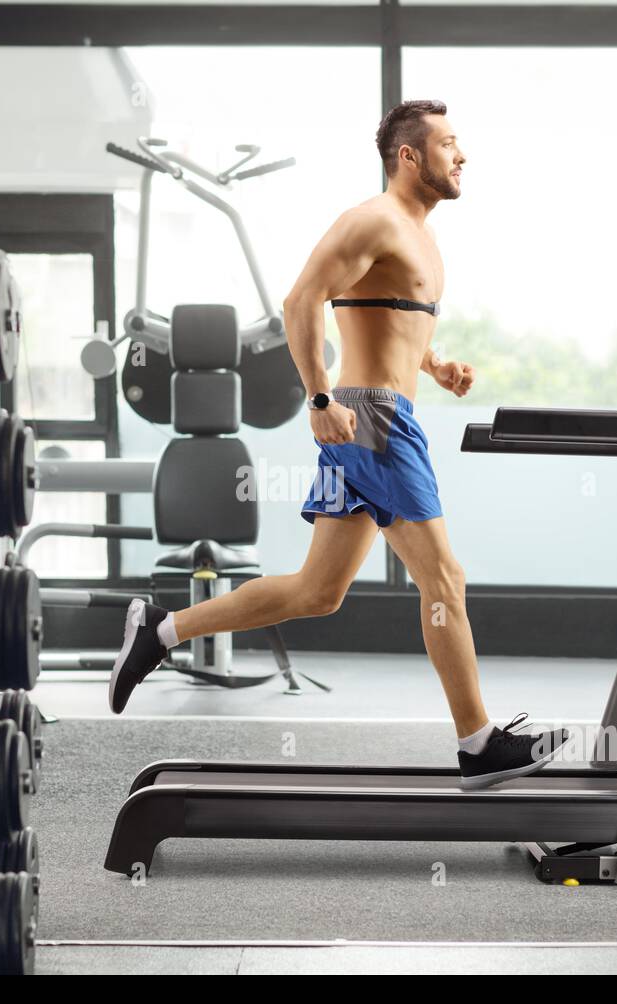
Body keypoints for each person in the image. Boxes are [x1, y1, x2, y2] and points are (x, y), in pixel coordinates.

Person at [108, 100, 566, 787]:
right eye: (448, 144)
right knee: (444, 577)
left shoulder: (417, 236)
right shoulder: (374, 219)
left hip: (375, 414)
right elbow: (302, 300)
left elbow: (386, 322)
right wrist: (319, 398)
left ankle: (161, 631)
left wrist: (436, 365)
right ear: (409, 157)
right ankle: (478, 744)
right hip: (372, 418)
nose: (462, 156)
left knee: (318, 590)